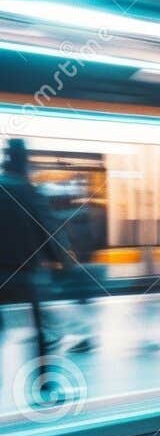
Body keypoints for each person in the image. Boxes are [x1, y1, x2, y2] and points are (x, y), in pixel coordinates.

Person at [0, 140, 70, 384]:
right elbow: (49, 232)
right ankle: (44, 381)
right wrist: (63, 263)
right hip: (26, 275)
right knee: (41, 327)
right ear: (24, 161)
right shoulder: (30, 192)